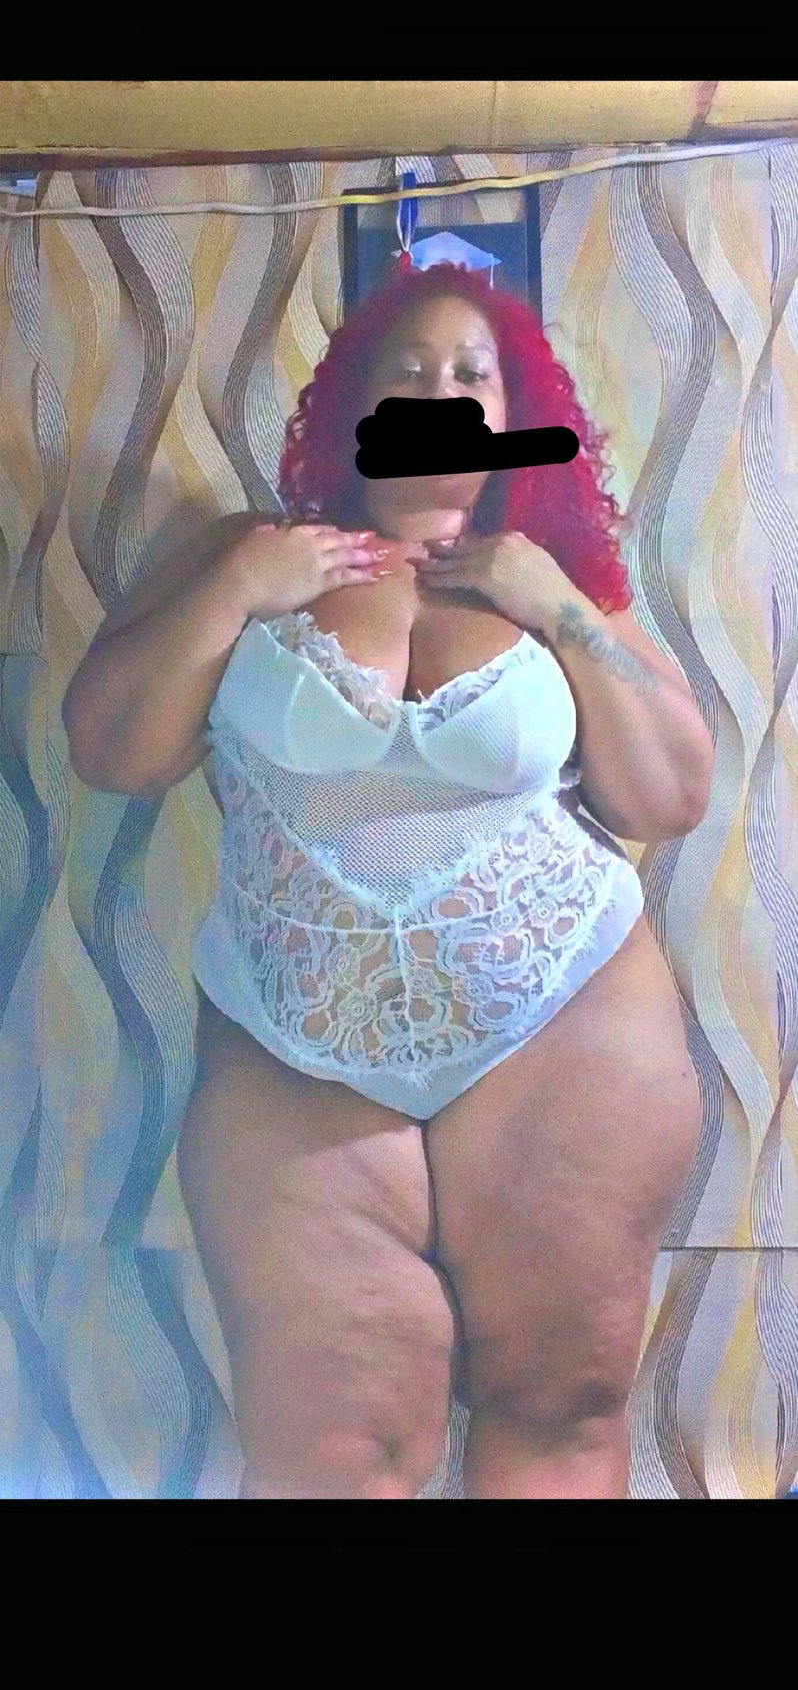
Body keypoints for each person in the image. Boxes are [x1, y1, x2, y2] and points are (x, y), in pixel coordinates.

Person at [63, 260, 714, 1500]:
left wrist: (562, 610)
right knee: (330, 1447)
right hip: (293, 1049)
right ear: (352, 406)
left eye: (473, 374)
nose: (440, 393)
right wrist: (240, 589)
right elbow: (112, 753)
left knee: (562, 1402)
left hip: (564, 1029)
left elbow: (669, 796)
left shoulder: (555, 570)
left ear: (514, 411)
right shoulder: (248, 551)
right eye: (406, 371)